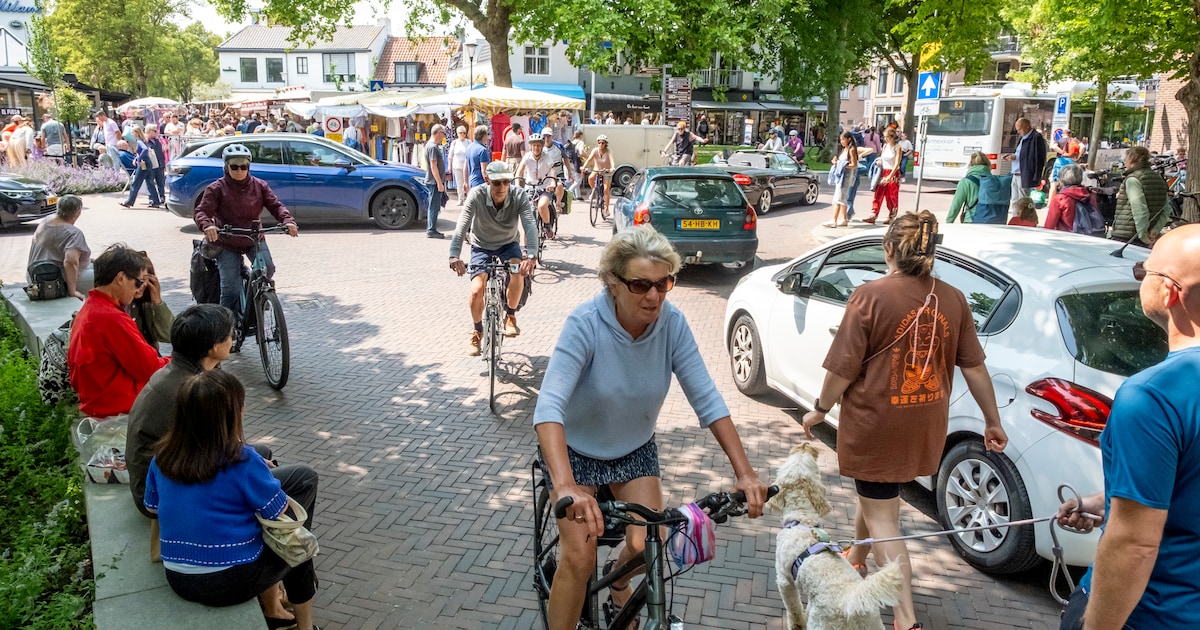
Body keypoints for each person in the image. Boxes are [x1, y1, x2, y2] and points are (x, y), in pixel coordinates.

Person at [533, 227, 768, 630]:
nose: (655, 296)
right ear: (612, 282)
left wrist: (744, 472)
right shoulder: (586, 323)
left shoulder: (672, 323)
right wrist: (567, 485)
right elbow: (548, 406)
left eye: (664, 284)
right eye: (641, 284)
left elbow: (707, 397)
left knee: (648, 547)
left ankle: (618, 584)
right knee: (578, 557)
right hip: (575, 452)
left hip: (634, 449)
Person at [802, 212, 1008, 630]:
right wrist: (993, 421)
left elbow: (842, 369)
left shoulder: (869, 296)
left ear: (890, 249)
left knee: (884, 518)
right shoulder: (953, 298)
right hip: (924, 424)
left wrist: (821, 408)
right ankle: (857, 557)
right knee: (879, 494)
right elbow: (975, 368)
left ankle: (905, 617)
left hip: (876, 424)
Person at [1056, 224, 1200, 630]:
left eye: (1143, 271)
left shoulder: (1154, 396)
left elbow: (1134, 544)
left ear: (1169, 291)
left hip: (1155, 615)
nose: (1139, 279)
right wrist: (1106, 502)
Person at [126, 305, 318, 547]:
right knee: (303, 477)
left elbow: (213, 444)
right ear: (213, 347)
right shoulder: (196, 392)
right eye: (229, 334)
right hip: (164, 491)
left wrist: (252, 460)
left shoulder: (176, 374)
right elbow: (220, 452)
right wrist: (253, 466)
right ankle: (288, 545)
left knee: (261, 455)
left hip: (161, 475)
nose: (233, 338)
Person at [144, 370, 321, 630]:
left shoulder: (162, 457)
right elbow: (277, 510)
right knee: (300, 546)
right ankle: (305, 628)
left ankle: (274, 611)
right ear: (230, 415)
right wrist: (261, 474)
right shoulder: (243, 460)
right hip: (231, 581)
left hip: (179, 577)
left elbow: (153, 508)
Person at [193, 144, 299, 325]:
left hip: (253, 238)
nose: (240, 170)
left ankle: (256, 298)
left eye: (244, 166)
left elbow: (276, 206)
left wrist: (287, 220)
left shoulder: (259, 186)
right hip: (227, 242)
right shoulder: (216, 188)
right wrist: (208, 225)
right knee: (231, 289)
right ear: (226, 167)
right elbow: (201, 212)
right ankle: (226, 328)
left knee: (268, 269)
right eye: (235, 166)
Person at [67, 244, 171, 418]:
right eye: (138, 282)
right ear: (121, 278)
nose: (139, 289)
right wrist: (184, 359)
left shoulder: (91, 308)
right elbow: (150, 368)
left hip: (99, 402)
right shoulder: (111, 318)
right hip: (118, 408)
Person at [448, 161, 538, 355]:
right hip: (482, 246)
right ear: (487, 180)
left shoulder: (518, 195)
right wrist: (454, 255)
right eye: (497, 183)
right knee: (476, 290)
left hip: (509, 245)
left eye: (506, 182)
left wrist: (531, 255)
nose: (502, 187)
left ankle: (511, 316)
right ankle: (477, 330)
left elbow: (529, 224)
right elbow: (462, 224)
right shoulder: (476, 195)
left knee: (517, 273)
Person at [27, 195, 90, 300]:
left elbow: (55, 252)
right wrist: (72, 291)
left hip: (33, 276)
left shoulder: (46, 221)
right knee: (109, 277)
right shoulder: (73, 233)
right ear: (78, 213)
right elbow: (70, 262)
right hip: (54, 280)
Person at [1110, 146, 1170, 247]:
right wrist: (1155, 229)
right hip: (1148, 234)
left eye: (1126, 159)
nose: (1125, 162)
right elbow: (1167, 209)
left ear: (1132, 159)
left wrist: (1143, 235)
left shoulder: (1133, 179)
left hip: (1128, 235)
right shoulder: (1158, 178)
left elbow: (1139, 208)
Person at [125, 252, 174, 353]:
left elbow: (169, 335)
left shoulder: (145, 303)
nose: (141, 286)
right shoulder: (116, 305)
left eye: (145, 280)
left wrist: (158, 302)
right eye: (137, 281)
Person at [516, 133, 561, 241]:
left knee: (541, 206)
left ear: (542, 146)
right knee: (528, 220)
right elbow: (519, 172)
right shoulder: (527, 156)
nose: (536, 148)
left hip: (544, 187)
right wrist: (518, 185)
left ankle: (547, 226)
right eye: (534, 145)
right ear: (531, 146)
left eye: (538, 145)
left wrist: (552, 183)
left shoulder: (546, 156)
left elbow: (552, 170)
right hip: (530, 188)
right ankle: (527, 248)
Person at [1003, 117, 1047, 217]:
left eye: (1020, 129)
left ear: (1027, 127)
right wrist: (1012, 156)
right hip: (1016, 173)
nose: (1018, 132)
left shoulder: (1036, 137)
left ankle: (1023, 220)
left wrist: (1037, 176)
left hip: (1024, 173)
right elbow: (1021, 155)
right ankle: (1015, 219)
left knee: (1023, 201)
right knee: (1014, 200)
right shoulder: (1022, 138)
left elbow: (1038, 157)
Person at [863, 128, 903, 224]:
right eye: (884, 137)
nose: (885, 139)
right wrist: (879, 161)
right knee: (878, 193)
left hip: (893, 173)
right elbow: (882, 156)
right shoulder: (885, 146)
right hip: (883, 171)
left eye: (887, 137)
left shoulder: (897, 147)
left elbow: (897, 163)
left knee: (891, 195)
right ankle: (874, 214)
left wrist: (890, 176)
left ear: (893, 137)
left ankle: (892, 215)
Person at [120, 127, 162, 208]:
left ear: (136, 133)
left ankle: (129, 201)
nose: (132, 135)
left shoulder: (139, 141)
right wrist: (136, 158)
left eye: (133, 133)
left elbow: (145, 150)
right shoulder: (144, 140)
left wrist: (138, 159)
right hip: (148, 162)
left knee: (136, 183)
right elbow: (143, 150)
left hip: (143, 163)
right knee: (150, 183)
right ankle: (156, 201)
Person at [824, 131, 857, 228]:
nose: (841, 141)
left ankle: (834, 220)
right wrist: (836, 162)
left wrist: (841, 164)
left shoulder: (851, 149)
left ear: (849, 139)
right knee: (842, 198)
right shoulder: (844, 149)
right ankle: (843, 219)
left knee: (838, 198)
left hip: (845, 177)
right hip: (840, 176)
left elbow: (854, 165)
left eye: (843, 139)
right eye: (840, 139)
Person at [947, 152, 992, 223]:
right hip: (993, 222)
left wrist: (948, 223)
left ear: (971, 164)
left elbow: (956, 206)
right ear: (988, 164)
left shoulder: (966, 182)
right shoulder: (994, 181)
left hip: (971, 221)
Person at [1043, 164, 1089, 232]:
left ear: (1062, 180)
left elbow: (1049, 226)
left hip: (1066, 237)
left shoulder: (1060, 199)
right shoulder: (1090, 195)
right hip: (1090, 237)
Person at [423, 124, 448, 239]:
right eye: (443, 133)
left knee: (434, 205)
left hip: (434, 181)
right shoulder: (432, 147)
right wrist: (439, 183)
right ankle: (431, 230)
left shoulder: (431, 145)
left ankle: (432, 228)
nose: (444, 136)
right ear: (439, 133)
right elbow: (433, 166)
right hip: (434, 182)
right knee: (434, 206)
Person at [582, 135, 616, 209]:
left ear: (606, 144)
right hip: (597, 169)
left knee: (606, 189)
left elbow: (612, 160)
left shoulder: (609, 151)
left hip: (607, 171)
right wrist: (584, 167)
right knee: (590, 178)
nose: (601, 144)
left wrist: (612, 168)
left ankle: (606, 208)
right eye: (599, 143)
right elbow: (589, 160)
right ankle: (595, 191)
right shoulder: (595, 150)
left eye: (603, 143)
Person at [144, 126, 167, 208]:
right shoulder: (145, 141)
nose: (156, 132)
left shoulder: (157, 141)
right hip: (151, 165)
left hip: (159, 164)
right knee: (150, 182)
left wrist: (163, 164)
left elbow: (161, 153)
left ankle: (162, 197)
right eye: (154, 131)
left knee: (160, 182)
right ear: (149, 131)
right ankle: (152, 199)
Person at [449, 126, 471, 206]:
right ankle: (461, 198)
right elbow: (450, 156)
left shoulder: (469, 142)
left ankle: (468, 199)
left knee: (468, 183)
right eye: (460, 133)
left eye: (464, 133)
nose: (462, 134)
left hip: (467, 166)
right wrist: (449, 167)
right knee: (459, 183)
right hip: (457, 166)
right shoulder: (454, 143)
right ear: (457, 133)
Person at [466, 124, 491, 189]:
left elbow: (465, 166)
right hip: (480, 182)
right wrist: (489, 183)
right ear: (483, 136)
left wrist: (465, 182)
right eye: (487, 135)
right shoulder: (483, 150)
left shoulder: (469, 147)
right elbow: (484, 171)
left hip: (471, 180)